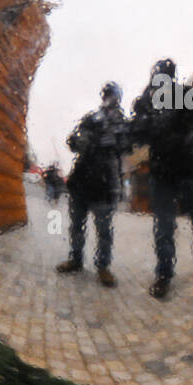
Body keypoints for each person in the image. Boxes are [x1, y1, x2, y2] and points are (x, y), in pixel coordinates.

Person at [131, 59, 193, 300]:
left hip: (189, 167)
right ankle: (164, 274)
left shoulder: (184, 94)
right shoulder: (146, 102)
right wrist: (149, 120)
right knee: (164, 226)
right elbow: (136, 136)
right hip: (162, 173)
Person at [56, 82, 130, 288]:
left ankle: (103, 266)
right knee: (77, 226)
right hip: (83, 179)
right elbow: (73, 141)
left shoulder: (121, 122)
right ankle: (76, 259)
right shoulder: (91, 118)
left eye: (113, 95)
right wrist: (80, 141)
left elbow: (127, 146)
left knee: (104, 229)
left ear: (118, 98)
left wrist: (112, 142)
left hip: (105, 183)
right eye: (107, 94)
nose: (109, 98)